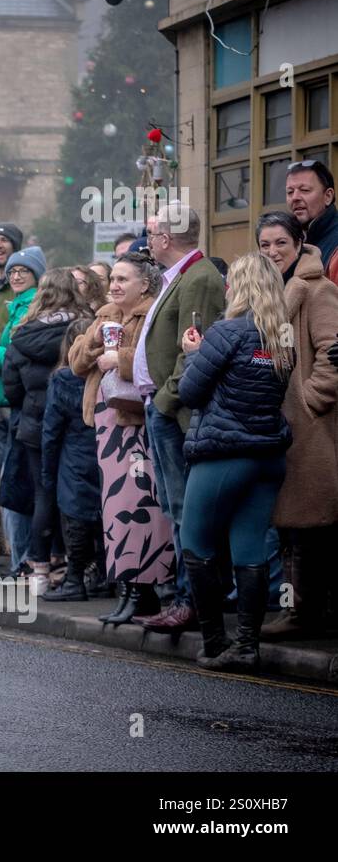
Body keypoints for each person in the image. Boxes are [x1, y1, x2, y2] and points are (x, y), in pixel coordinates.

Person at [179, 253, 294, 672]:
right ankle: (246, 646)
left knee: (195, 542)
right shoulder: (283, 337)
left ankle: (213, 641)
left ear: (237, 287)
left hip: (224, 456)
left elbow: (190, 393)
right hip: (268, 458)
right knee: (249, 547)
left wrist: (193, 351)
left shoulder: (226, 333)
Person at [130, 202, 227, 634]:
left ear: (166, 238)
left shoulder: (200, 277)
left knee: (187, 510)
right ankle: (186, 597)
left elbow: (197, 348)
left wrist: (167, 400)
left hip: (176, 411)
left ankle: (193, 602)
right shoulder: (180, 276)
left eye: (152, 233)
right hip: (162, 409)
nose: (149, 241)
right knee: (175, 507)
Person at [69, 252, 175, 624]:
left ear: (144, 284)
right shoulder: (104, 316)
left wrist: (122, 358)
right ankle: (129, 589)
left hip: (136, 424)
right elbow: (76, 363)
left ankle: (148, 590)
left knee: (141, 508)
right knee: (114, 511)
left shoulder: (154, 313)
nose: (113, 285)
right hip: (106, 425)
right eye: (112, 279)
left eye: (123, 280)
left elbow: (162, 361)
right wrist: (97, 341)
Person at [255, 211, 338, 640]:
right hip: (276, 427)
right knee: (290, 523)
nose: (272, 252)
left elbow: (333, 351)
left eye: (280, 243)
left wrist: (312, 399)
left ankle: (305, 615)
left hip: (310, 427)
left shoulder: (318, 290)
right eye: (264, 245)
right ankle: (302, 611)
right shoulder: (268, 292)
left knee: (311, 522)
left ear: (299, 242)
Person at [1, 268, 92, 591]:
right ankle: (70, 563)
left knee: (43, 494)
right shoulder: (85, 328)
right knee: (74, 493)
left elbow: (10, 387)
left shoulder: (24, 333)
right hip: (79, 423)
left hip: (34, 423)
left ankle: (38, 567)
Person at [0, 245, 45, 578]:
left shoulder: (29, 308)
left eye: (23, 270)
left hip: (22, 406)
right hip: (10, 404)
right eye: (12, 271)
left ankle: (23, 561)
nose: (16, 275)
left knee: (17, 487)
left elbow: (13, 357)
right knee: (14, 486)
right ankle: (20, 560)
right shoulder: (17, 306)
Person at [40, 317, 104, 601]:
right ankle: (104, 576)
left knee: (76, 517)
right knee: (106, 516)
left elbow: (51, 431)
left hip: (74, 455)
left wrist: (47, 472)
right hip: (106, 451)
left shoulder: (64, 378)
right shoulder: (107, 373)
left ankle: (75, 579)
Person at [284, 159, 337, 281]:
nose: (295, 198)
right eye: (290, 192)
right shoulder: (287, 242)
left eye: (305, 190)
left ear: (328, 196)